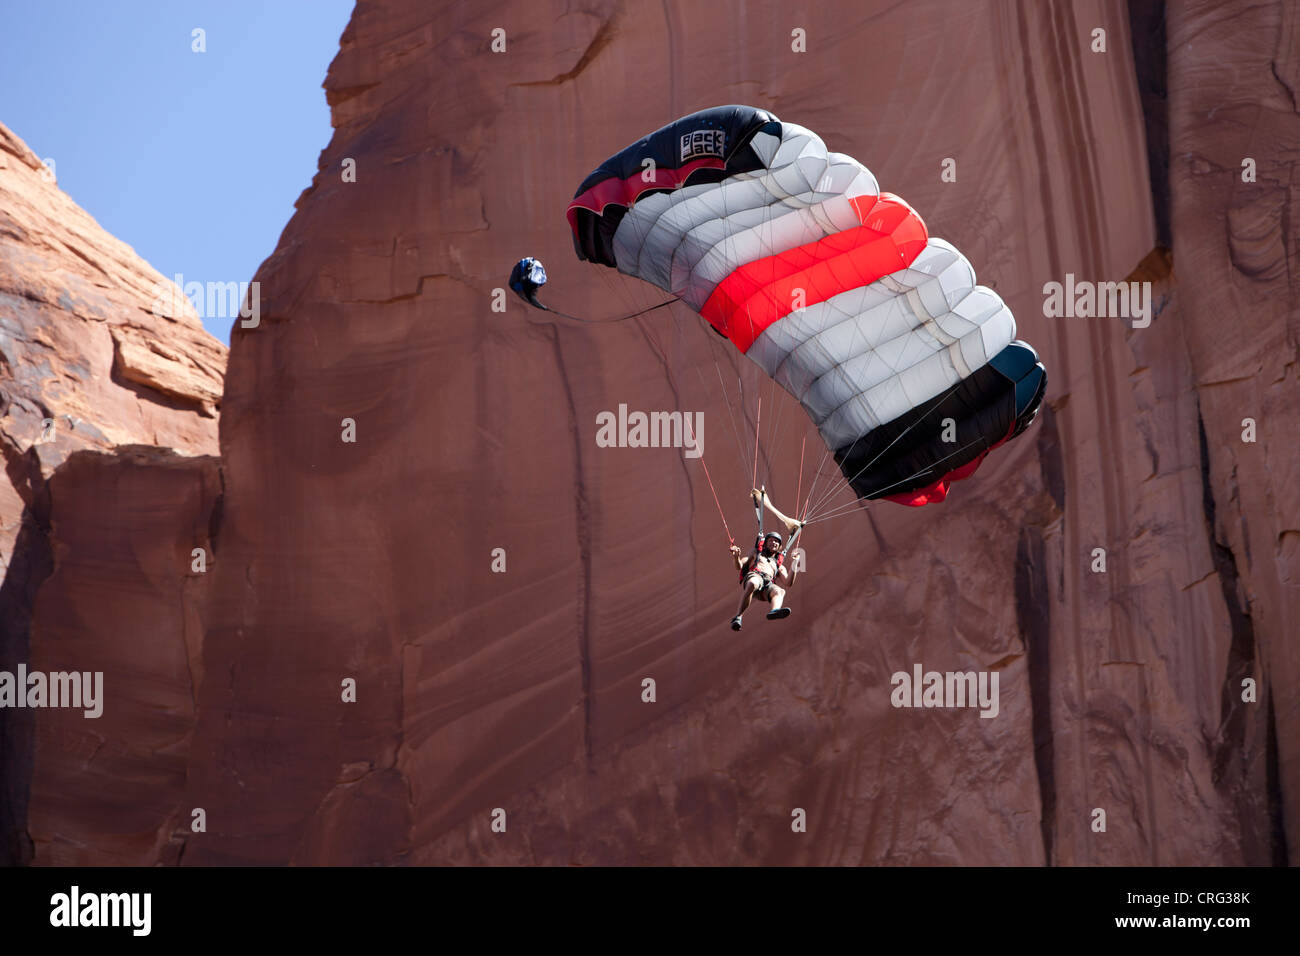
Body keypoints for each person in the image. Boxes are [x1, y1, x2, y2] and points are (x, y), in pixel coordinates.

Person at [729, 529, 797, 630]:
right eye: (771, 540)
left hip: (767, 587)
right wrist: (736, 557)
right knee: (753, 583)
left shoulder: (778, 565)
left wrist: (794, 564)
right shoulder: (756, 553)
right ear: (765, 543)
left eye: (777, 541)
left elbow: (788, 582)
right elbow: (739, 566)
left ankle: (775, 610)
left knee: (780, 591)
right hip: (755, 576)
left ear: (779, 546)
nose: (774, 542)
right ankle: (738, 617)